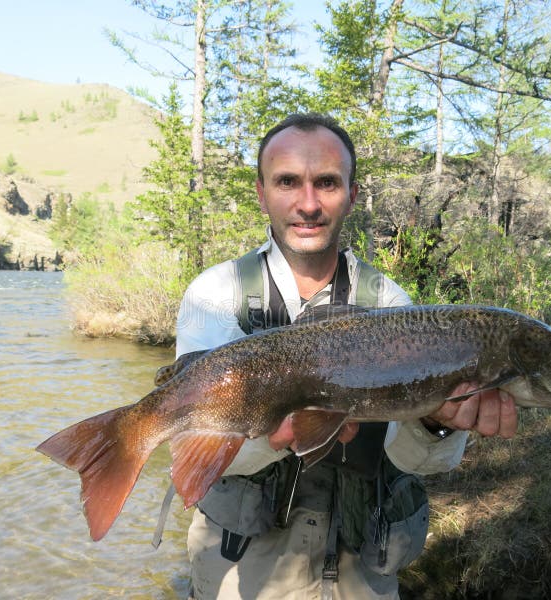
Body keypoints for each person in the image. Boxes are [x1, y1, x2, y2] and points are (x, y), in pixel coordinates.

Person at [175, 113, 518, 599]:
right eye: (287, 182)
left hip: (359, 566)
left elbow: (417, 462)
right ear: (262, 193)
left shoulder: (392, 305)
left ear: (352, 195)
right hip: (245, 568)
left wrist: (435, 423)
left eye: (327, 183)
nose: (308, 203)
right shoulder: (216, 293)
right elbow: (195, 450)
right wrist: (274, 436)